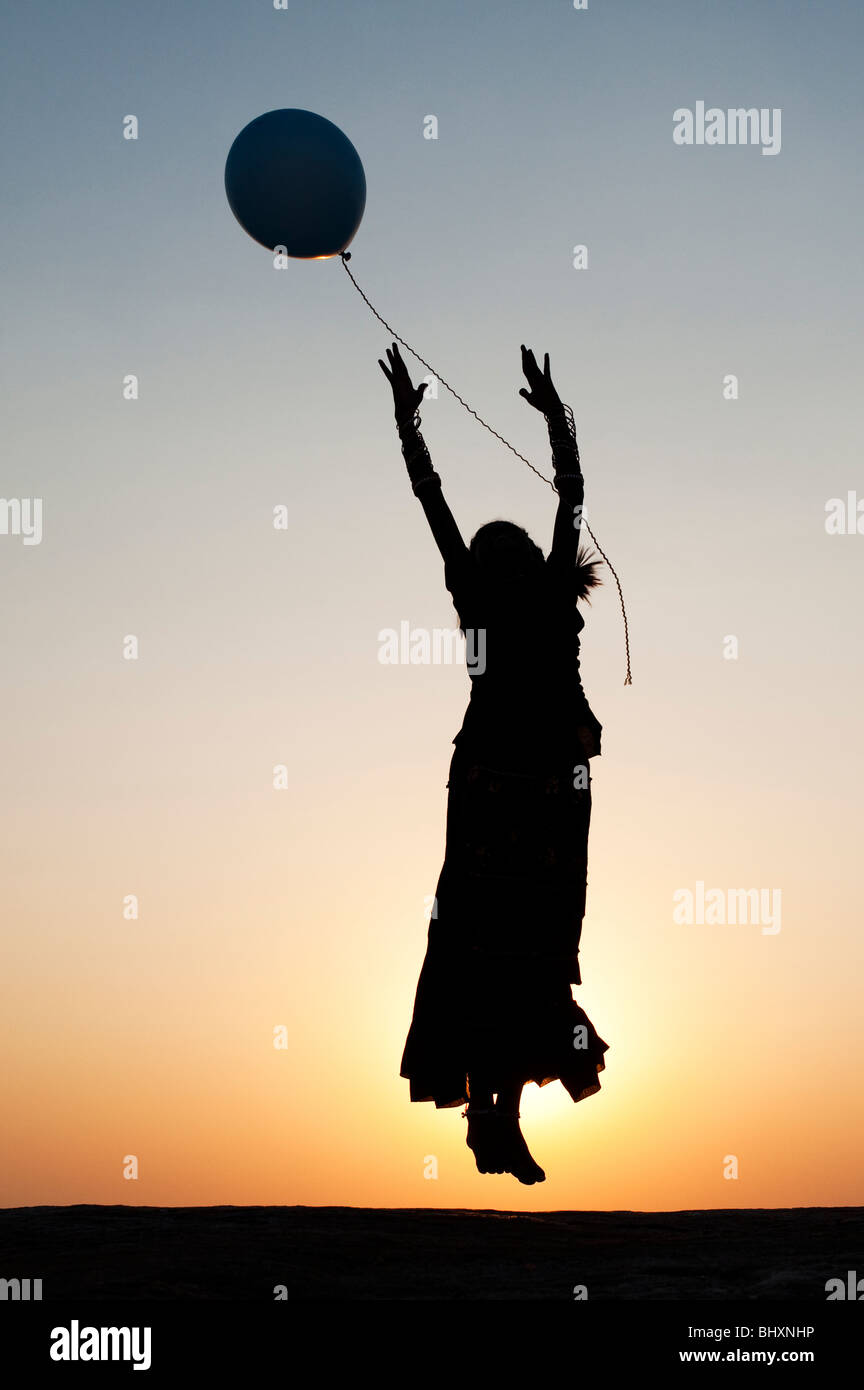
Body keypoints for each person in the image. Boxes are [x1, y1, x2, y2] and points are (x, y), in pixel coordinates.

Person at [379, 341, 609, 1184]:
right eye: (495, 550)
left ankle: (498, 1115)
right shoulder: (490, 596)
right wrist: (411, 430)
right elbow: (439, 503)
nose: (502, 555)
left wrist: (556, 419)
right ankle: (492, 1114)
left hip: (539, 790)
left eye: (508, 547)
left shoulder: (527, 595)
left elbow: (563, 499)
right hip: (513, 791)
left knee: (528, 952)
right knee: (494, 949)